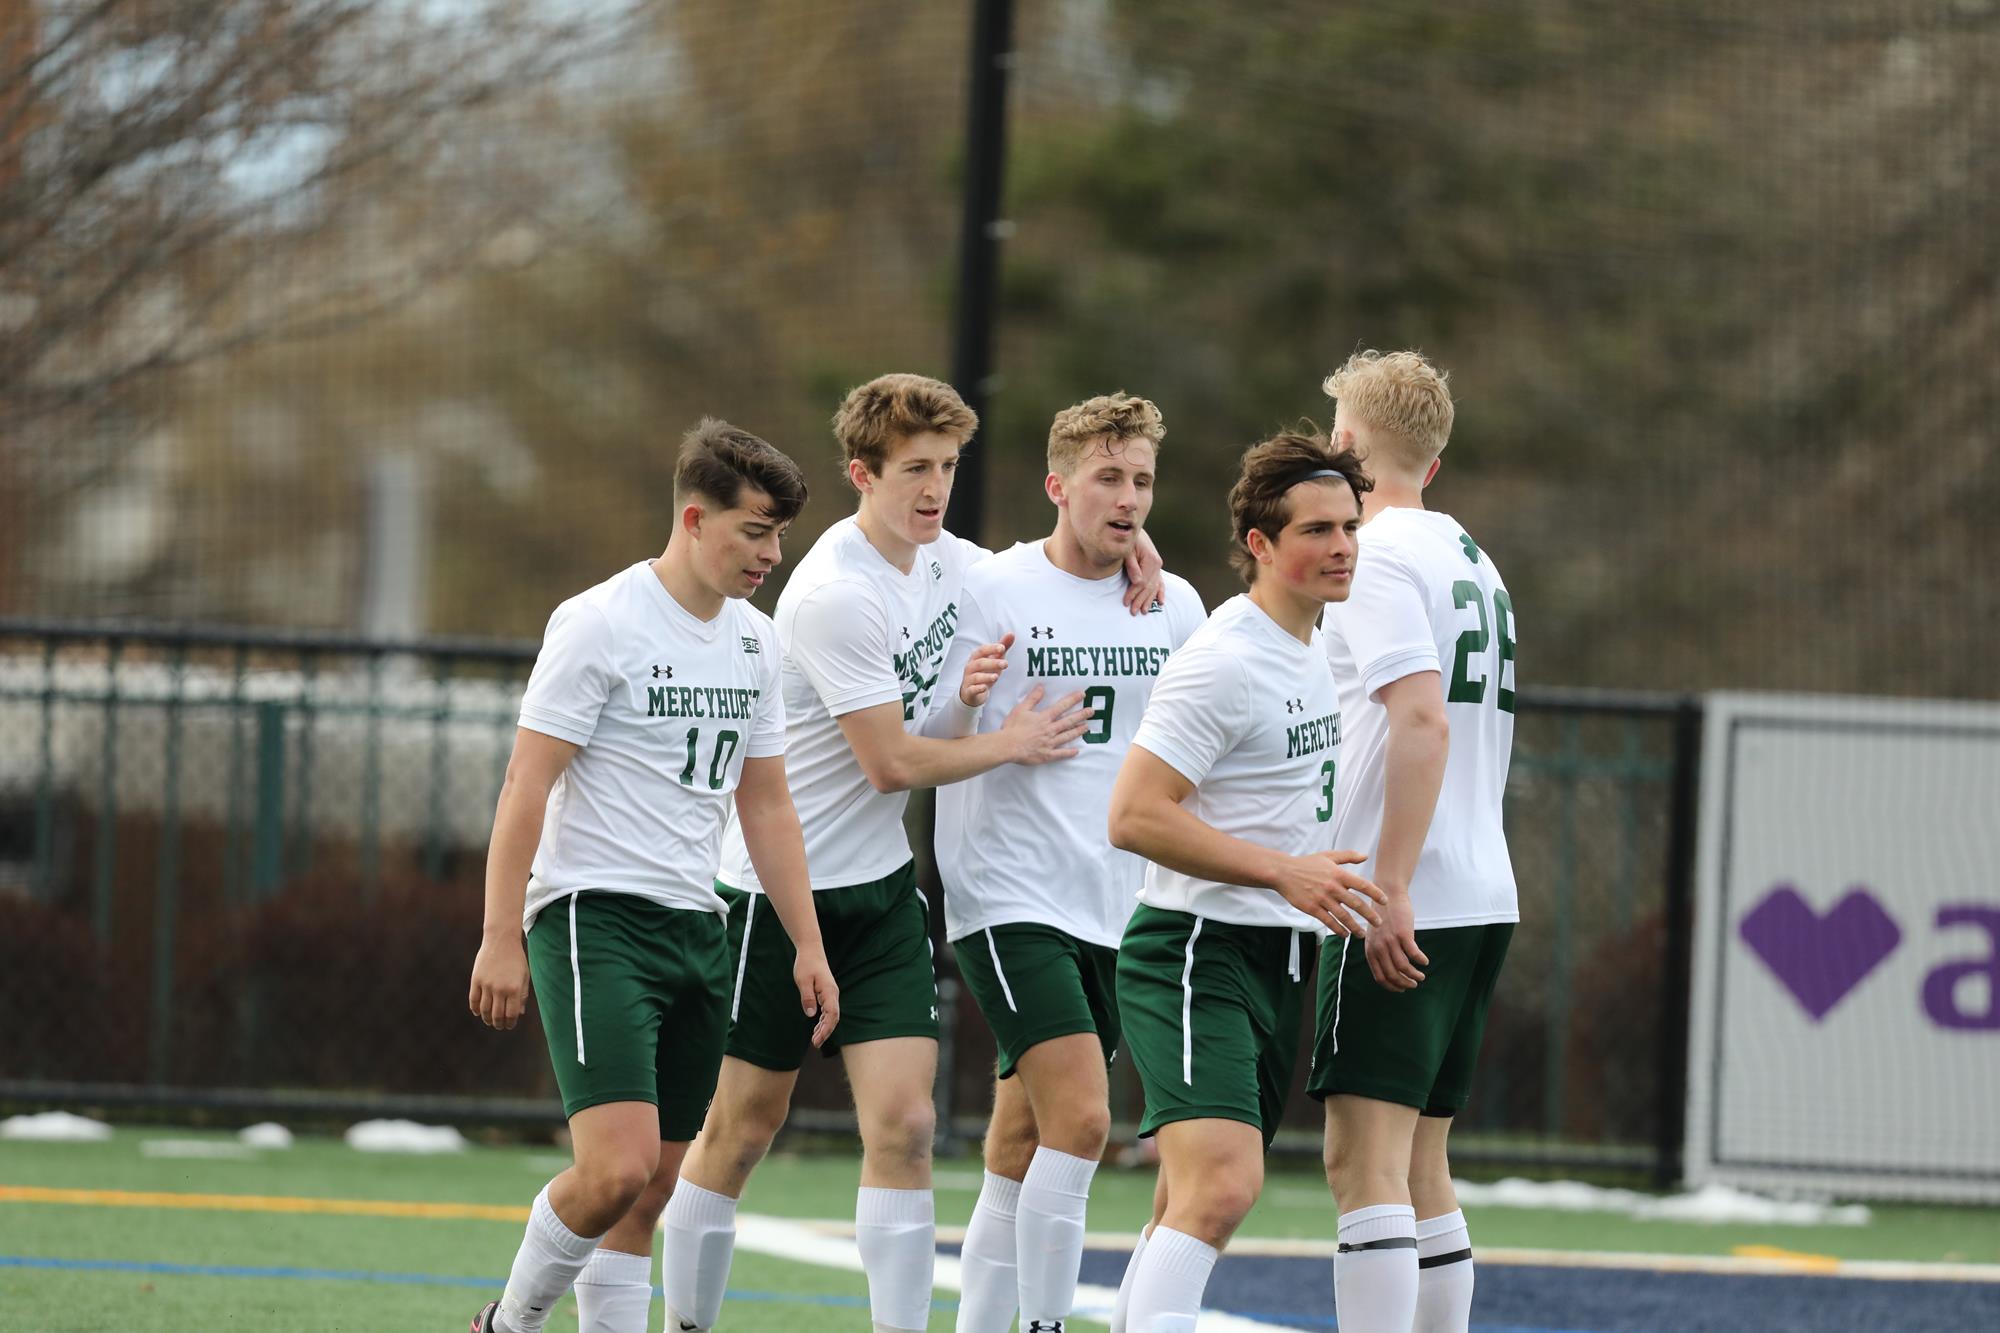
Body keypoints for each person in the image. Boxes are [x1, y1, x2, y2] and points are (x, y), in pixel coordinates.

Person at [664, 374, 1163, 1333]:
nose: (936, 489)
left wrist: (1129, 541)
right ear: (863, 474)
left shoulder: (946, 560)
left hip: (883, 893)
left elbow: (1046, 561)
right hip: (780, 895)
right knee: (740, 1130)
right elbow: (890, 763)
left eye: (948, 466)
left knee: (907, 1126)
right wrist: (1008, 740)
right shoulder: (834, 594)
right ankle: (686, 1323)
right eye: (914, 470)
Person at [465, 420, 839, 1333]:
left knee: (655, 1186)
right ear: (694, 518)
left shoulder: (757, 643)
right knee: (616, 1168)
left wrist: (808, 943)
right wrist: (500, 934)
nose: (772, 554)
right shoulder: (599, 621)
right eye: (755, 531)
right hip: (594, 919)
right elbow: (526, 783)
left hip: (698, 927)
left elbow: (767, 805)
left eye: (780, 534)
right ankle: (507, 1324)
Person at [923, 393, 1205, 1333]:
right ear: (1057, 485)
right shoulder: (989, 586)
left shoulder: (1173, 604)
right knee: (1084, 1121)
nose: (1128, 498)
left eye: (1142, 481)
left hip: (1121, 901)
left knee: (1022, 1137)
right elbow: (923, 734)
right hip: (1008, 896)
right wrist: (975, 712)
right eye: (1108, 477)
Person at [1104, 429, 1387, 1331]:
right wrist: (1280, 870)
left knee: (1191, 1199)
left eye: (1350, 526)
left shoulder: (1318, 641)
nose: (1341, 546)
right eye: (1316, 530)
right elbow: (1134, 815)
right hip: (1194, 950)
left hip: (1280, 954)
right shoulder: (1226, 657)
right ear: (1261, 543)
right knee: (1222, 1186)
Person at [1307, 350, 1518, 1333]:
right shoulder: (1472, 557)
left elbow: (1421, 722)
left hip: (1403, 890)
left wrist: (1386, 884)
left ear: (1345, 444)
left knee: (1363, 1164)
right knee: (1421, 1164)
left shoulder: (1378, 554)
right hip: (1480, 886)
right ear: (1431, 462)